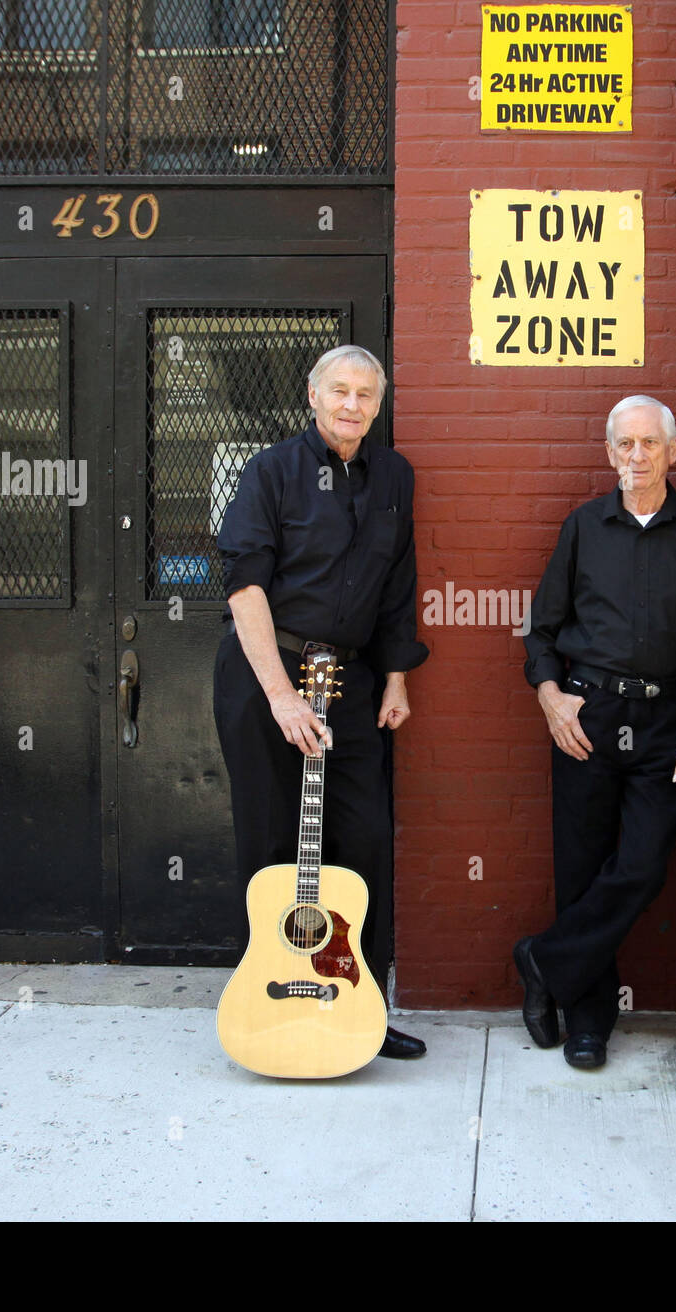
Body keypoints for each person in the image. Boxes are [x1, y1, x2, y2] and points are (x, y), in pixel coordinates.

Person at [213, 344, 429, 1060]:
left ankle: (355, 1001)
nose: (352, 406)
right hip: (266, 677)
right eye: (340, 391)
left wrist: (397, 677)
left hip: (352, 684)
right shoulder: (270, 471)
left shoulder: (395, 476)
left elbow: (400, 586)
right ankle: (270, 997)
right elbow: (245, 588)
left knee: (360, 841)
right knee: (275, 847)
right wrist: (280, 696)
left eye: (366, 395)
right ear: (313, 395)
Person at [517, 395, 676, 1070]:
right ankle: (589, 1021)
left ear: (673, 450)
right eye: (624, 445)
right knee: (581, 870)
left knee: (640, 867)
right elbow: (542, 630)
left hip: (669, 723)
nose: (636, 456)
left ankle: (543, 959)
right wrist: (553, 701)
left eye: (648, 444)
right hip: (590, 716)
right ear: (610, 453)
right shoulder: (583, 527)